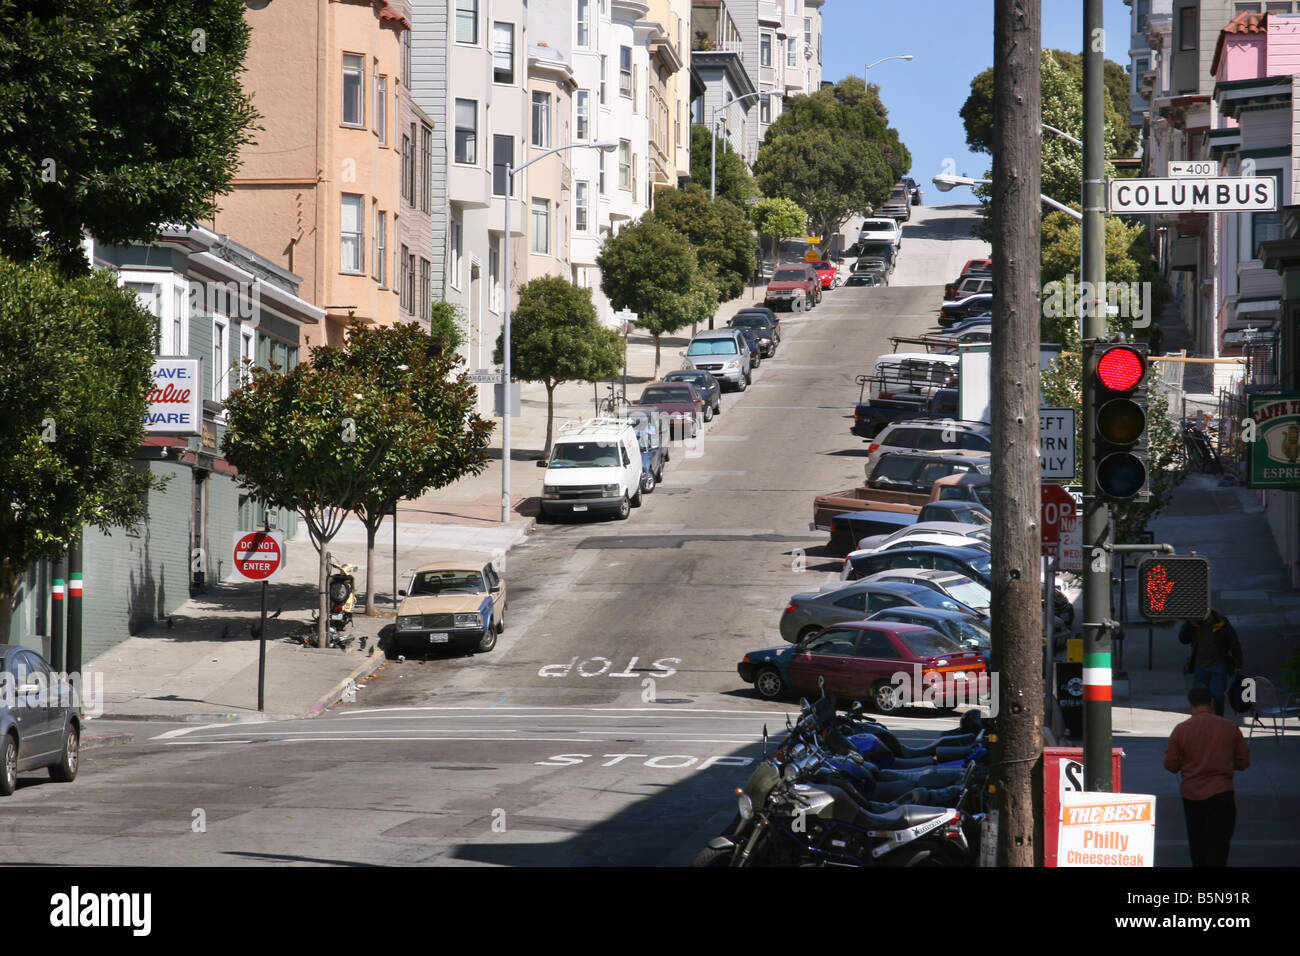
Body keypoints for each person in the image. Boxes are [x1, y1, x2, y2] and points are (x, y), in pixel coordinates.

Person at [1164, 685, 1251, 867]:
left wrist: (1188, 764)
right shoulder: (1230, 728)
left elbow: (1170, 765)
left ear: (1191, 704)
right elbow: (1244, 762)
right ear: (1212, 702)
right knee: (1220, 844)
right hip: (1222, 792)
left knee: (1198, 843)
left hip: (1192, 795)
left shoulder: (1181, 730)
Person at [1178, 608, 1243, 716]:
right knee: (1199, 697)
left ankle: (1218, 717)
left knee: (1217, 695)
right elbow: (1183, 639)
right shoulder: (1194, 624)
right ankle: (1201, 719)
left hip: (1218, 665)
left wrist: (1238, 664)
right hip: (1200, 666)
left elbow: (1234, 643)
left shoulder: (1221, 622)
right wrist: (1190, 624)